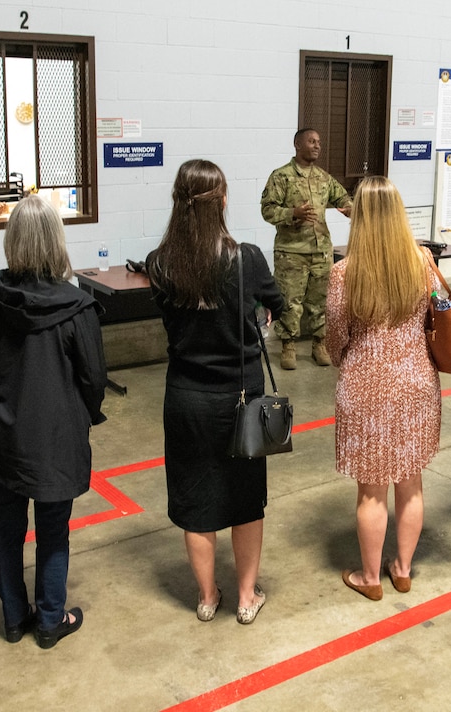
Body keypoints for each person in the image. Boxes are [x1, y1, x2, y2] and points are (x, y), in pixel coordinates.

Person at [148, 159, 284, 625]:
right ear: (222, 200)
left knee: (196, 495)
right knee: (245, 498)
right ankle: (247, 597)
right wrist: (259, 316)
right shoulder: (246, 258)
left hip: (185, 396)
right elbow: (278, 304)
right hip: (240, 398)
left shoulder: (161, 263)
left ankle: (207, 597)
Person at [0, 195, 107, 648]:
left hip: (3, 431)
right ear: (56, 243)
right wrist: (84, 415)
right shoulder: (77, 305)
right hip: (56, 436)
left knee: (6, 525)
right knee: (53, 529)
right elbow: (93, 378)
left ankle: (13, 618)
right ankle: (51, 620)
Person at [325, 175, 440, 600]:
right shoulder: (423, 261)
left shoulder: (344, 273)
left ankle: (370, 578)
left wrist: (347, 360)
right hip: (416, 385)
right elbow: (437, 315)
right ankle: (404, 569)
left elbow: (336, 338)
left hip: (365, 388)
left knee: (371, 491)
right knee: (410, 483)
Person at [260, 128, 352, 370]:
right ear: (297, 145)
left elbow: (343, 199)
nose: (317, 146)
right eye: (311, 141)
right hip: (291, 253)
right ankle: (288, 346)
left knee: (320, 302)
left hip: (321, 251)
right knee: (290, 301)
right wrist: (292, 214)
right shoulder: (281, 176)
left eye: (319, 142)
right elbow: (267, 210)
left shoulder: (324, 178)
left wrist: (355, 209)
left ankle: (319, 344)